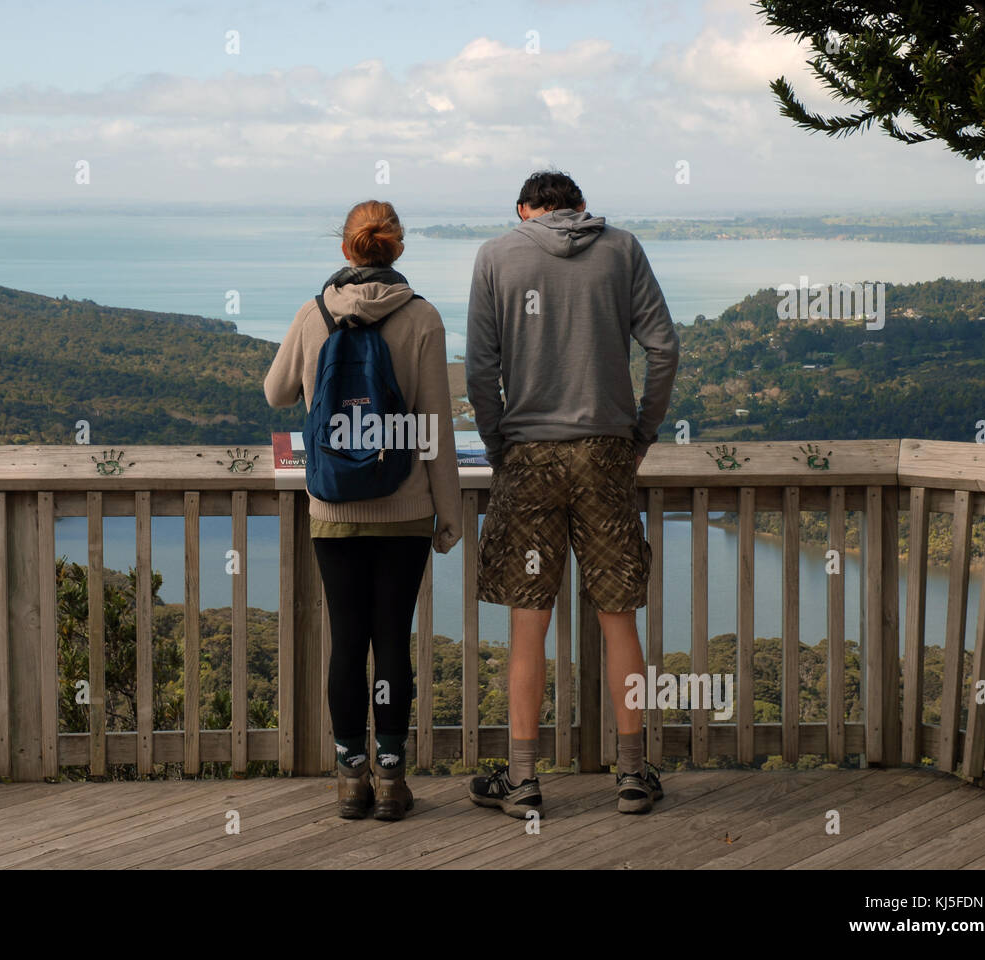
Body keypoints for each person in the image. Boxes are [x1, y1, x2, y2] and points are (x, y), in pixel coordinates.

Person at [464, 170, 680, 817]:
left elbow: (479, 369)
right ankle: (634, 775)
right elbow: (664, 348)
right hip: (607, 454)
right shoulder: (621, 249)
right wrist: (640, 432)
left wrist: (501, 444)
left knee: (528, 621)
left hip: (528, 456)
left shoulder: (497, 255)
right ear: (582, 208)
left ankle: (525, 783)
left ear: (524, 210)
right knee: (619, 617)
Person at [264, 200, 461, 821]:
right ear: (396, 247)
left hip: (334, 510)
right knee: (392, 642)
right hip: (404, 508)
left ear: (347, 248)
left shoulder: (314, 312)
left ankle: (351, 781)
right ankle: (393, 779)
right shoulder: (423, 317)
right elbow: (434, 426)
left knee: (346, 642)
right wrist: (448, 510)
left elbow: (276, 394)